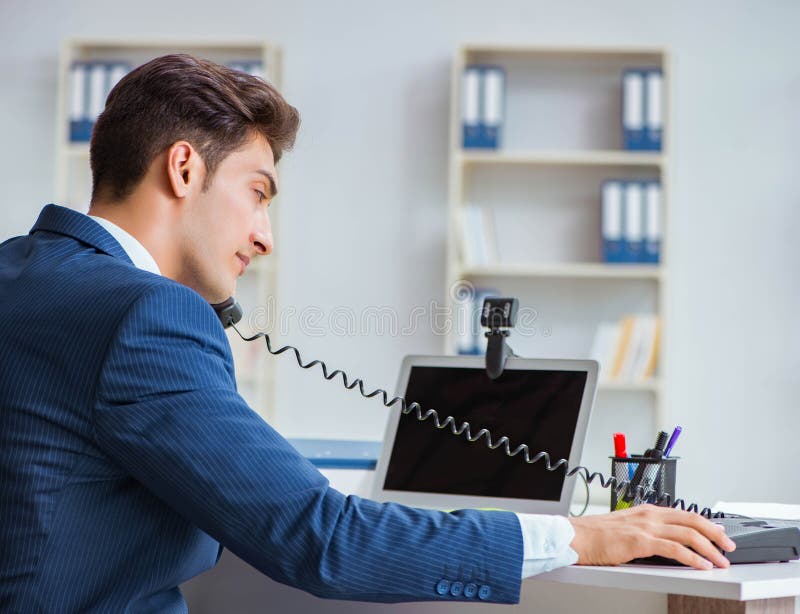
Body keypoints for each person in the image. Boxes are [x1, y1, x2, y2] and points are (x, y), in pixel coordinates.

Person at [0, 54, 734, 612]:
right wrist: (582, 536)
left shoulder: (17, 273)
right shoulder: (148, 316)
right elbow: (324, 538)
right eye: (257, 194)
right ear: (184, 169)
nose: (265, 237)